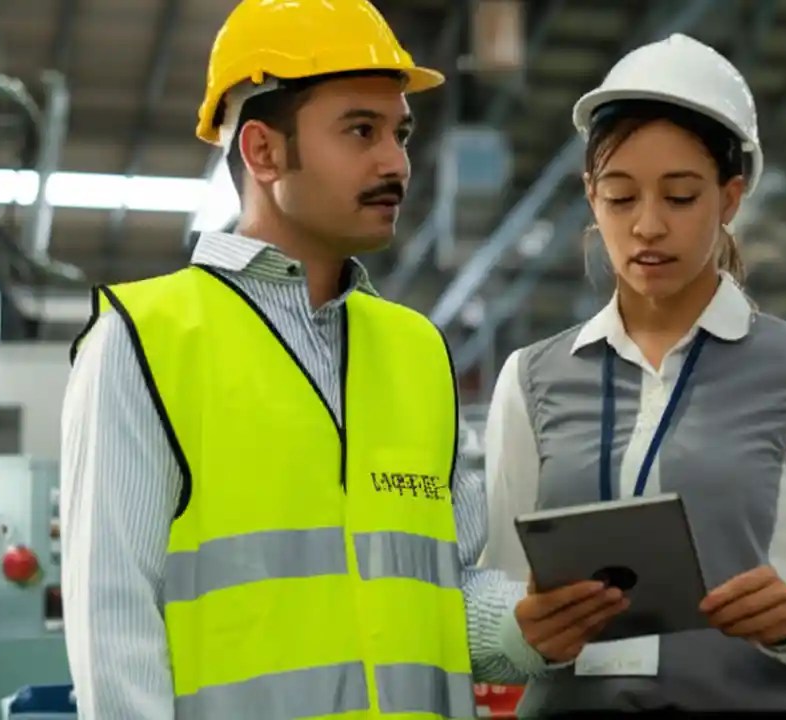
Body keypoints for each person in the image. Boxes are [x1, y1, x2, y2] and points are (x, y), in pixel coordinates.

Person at [59, 2, 536, 717]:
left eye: (399, 133)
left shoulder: (415, 351)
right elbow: (114, 629)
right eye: (360, 131)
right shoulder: (144, 342)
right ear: (262, 151)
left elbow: (445, 588)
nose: (396, 162)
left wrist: (530, 623)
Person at [478, 33, 786, 715]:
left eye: (681, 196)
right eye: (620, 197)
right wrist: (519, 630)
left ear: (729, 198)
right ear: (590, 196)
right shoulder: (531, 378)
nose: (648, 226)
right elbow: (495, 585)